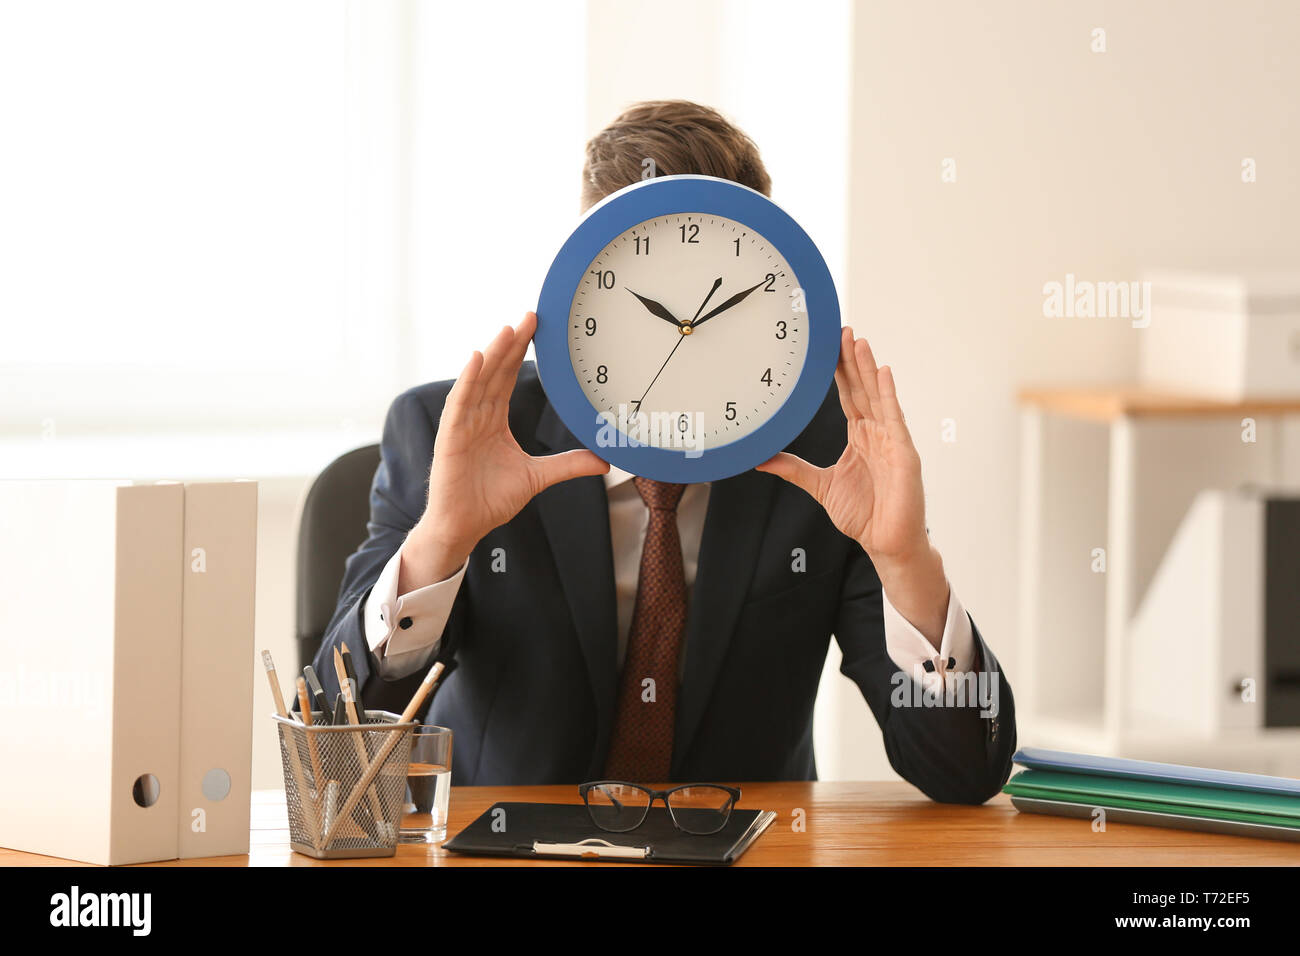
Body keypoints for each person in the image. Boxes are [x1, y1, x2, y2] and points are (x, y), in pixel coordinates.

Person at [313, 100, 1015, 802]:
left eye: (713, 307)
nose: (682, 332)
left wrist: (905, 560)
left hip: (750, 851)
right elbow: (334, 736)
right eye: (641, 305)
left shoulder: (831, 452)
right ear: (581, 286)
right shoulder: (455, 432)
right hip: (502, 846)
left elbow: (965, 774)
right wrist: (443, 539)